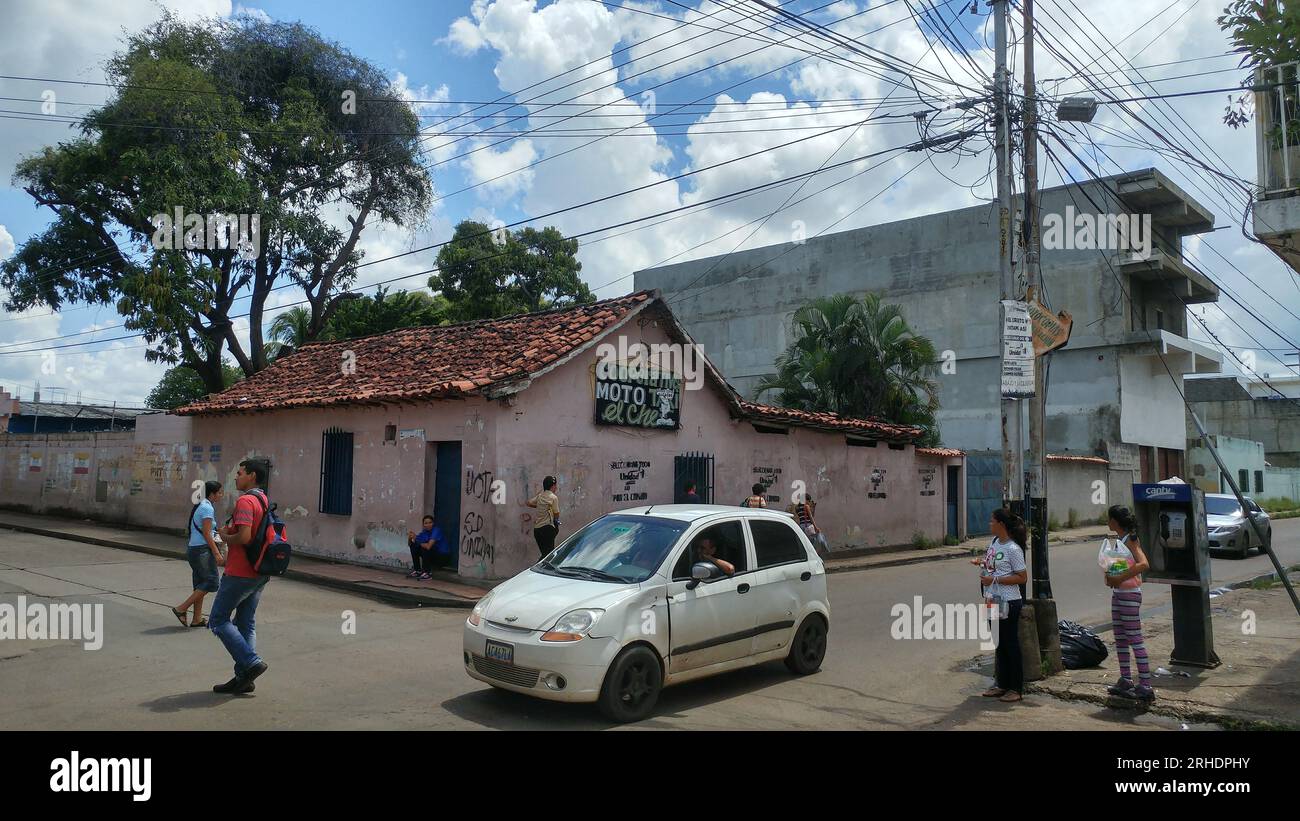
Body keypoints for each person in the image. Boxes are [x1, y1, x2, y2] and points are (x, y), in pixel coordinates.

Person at [210, 458, 274, 695]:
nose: (236, 477)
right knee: (245, 622)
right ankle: (243, 677)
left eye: (240, 473)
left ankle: (251, 663)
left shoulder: (246, 501)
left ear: (252, 476)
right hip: (259, 571)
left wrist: (224, 536)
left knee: (217, 620)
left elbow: (245, 537)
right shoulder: (263, 499)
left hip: (240, 572)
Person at [972, 508, 1029, 703]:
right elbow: (992, 565)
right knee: (998, 643)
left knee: (1010, 643)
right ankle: (1001, 684)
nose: (989, 524)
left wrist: (994, 580)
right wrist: (981, 563)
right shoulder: (995, 543)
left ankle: (1016, 688)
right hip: (992, 599)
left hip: (1008, 601)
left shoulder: (1014, 549)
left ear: (1001, 525)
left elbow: (1022, 577)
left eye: (992, 521)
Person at [1103, 504, 1154, 702]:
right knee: (1121, 638)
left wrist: (1119, 577)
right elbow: (1119, 567)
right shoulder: (1119, 541)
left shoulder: (1131, 541)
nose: (1107, 522)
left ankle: (1145, 685)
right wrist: (1111, 576)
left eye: (1109, 519)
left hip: (1129, 595)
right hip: (1119, 594)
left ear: (1115, 521)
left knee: (1135, 638)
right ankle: (1126, 679)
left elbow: (1143, 564)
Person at [172, 480, 225, 628]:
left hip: (194, 549)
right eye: (219, 492)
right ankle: (181, 608)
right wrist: (216, 553)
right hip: (202, 550)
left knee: (200, 584)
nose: (221, 495)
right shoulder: (207, 508)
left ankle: (197, 618)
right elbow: (207, 534)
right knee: (212, 582)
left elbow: (206, 530)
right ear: (212, 494)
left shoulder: (201, 506)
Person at [527, 476, 561, 557]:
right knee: (549, 556)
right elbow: (556, 513)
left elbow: (528, 503)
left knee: (545, 555)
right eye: (555, 485)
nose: (556, 487)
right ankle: (535, 569)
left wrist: (538, 506)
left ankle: (538, 568)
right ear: (553, 486)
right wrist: (556, 524)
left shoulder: (540, 496)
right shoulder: (553, 497)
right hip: (547, 529)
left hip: (537, 530)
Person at [407, 515, 445, 580]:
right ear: (423, 525)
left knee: (424, 547)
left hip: (442, 557)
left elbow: (428, 546)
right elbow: (411, 544)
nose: (428, 525)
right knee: (414, 546)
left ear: (433, 523)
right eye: (426, 523)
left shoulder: (436, 531)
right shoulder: (424, 532)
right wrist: (410, 537)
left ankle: (427, 573)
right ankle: (417, 570)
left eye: (430, 522)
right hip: (432, 556)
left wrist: (416, 538)